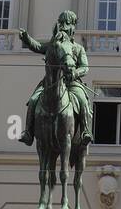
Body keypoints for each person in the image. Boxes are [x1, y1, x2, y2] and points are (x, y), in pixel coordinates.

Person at [18, 10, 92, 148]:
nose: (64, 26)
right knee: (34, 99)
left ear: (73, 27)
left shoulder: (78, 48)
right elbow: (38, 47)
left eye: (67, 23)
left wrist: (75, 73)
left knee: (83, 100)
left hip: (72, 83)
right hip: (51, 82)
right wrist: (27, 38)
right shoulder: (53, 45)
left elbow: (85, 67)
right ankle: (28, 132)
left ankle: (86, 131)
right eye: (62, 23)